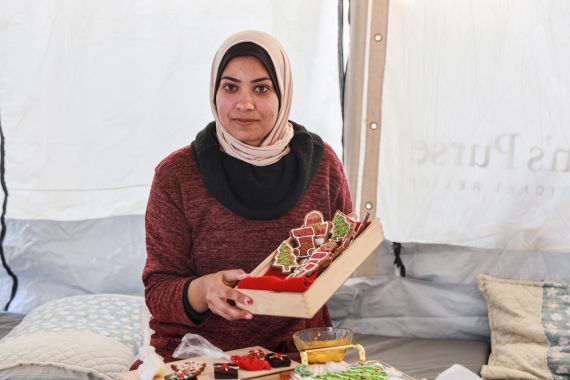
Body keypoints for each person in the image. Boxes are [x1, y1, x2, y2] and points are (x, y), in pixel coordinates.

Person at [140, 30, 353, 365]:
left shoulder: (322, 165)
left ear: (283, 92)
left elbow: (341, 255)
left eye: (261, 88)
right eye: (230, 86)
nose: (244, 103)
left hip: (296, 354)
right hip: (194, 352)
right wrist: (204, 290)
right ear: (214, 91)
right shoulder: (176, 175)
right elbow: (158, 291)